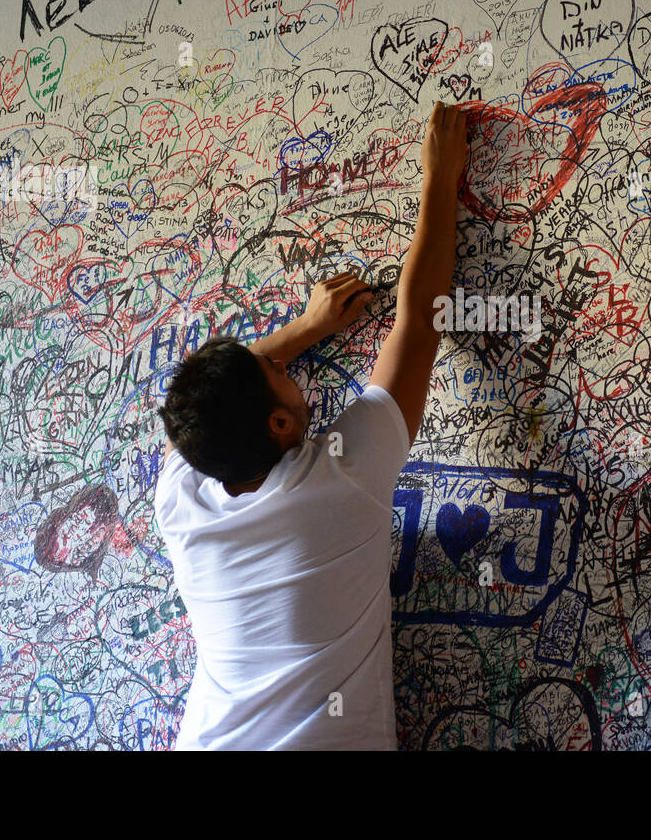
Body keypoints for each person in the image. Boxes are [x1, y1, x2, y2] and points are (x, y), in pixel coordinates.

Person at [153, 101, 468, 749]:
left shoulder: (182, 492)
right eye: (279, 374)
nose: (284, 363)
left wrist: (308, 327)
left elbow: (211, 401)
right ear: (276, 421)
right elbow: (418, 321)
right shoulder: (340, 480)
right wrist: (441, 179)